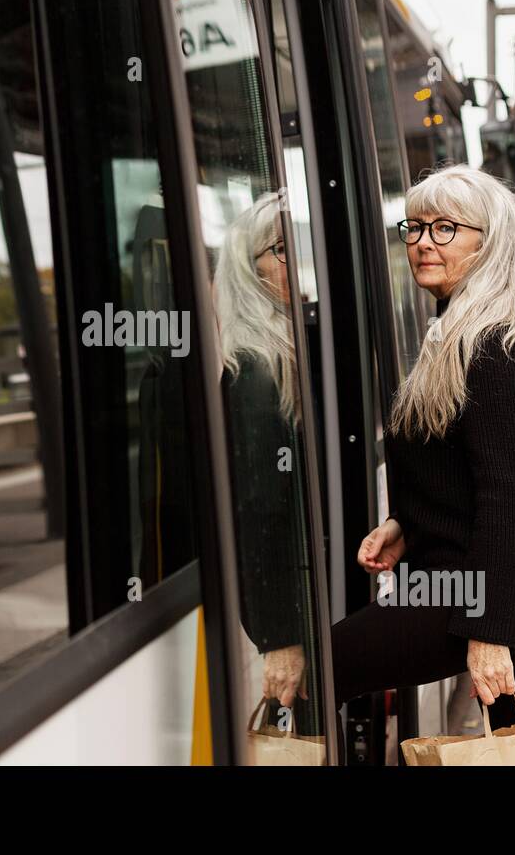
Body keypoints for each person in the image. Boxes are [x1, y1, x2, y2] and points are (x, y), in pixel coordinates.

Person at [330, 165, 515, 732]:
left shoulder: (490, 347)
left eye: (445, 228)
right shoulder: (458, 329)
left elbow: (507, 494)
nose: (423, 242)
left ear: (487, 242)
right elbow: (469, 469)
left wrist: (494, 632)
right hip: (514, 581)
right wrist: (404, 524)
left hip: (484, 586)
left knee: (322, 669)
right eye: (415, 226)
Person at [215, 192, 317, 733]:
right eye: (277, 251)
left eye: (291, 248)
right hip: (290, 611)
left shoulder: (285, 348)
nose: (290, 262)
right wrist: (280, 638)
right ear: (246, 269)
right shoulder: (254, 370)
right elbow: (260, 513)